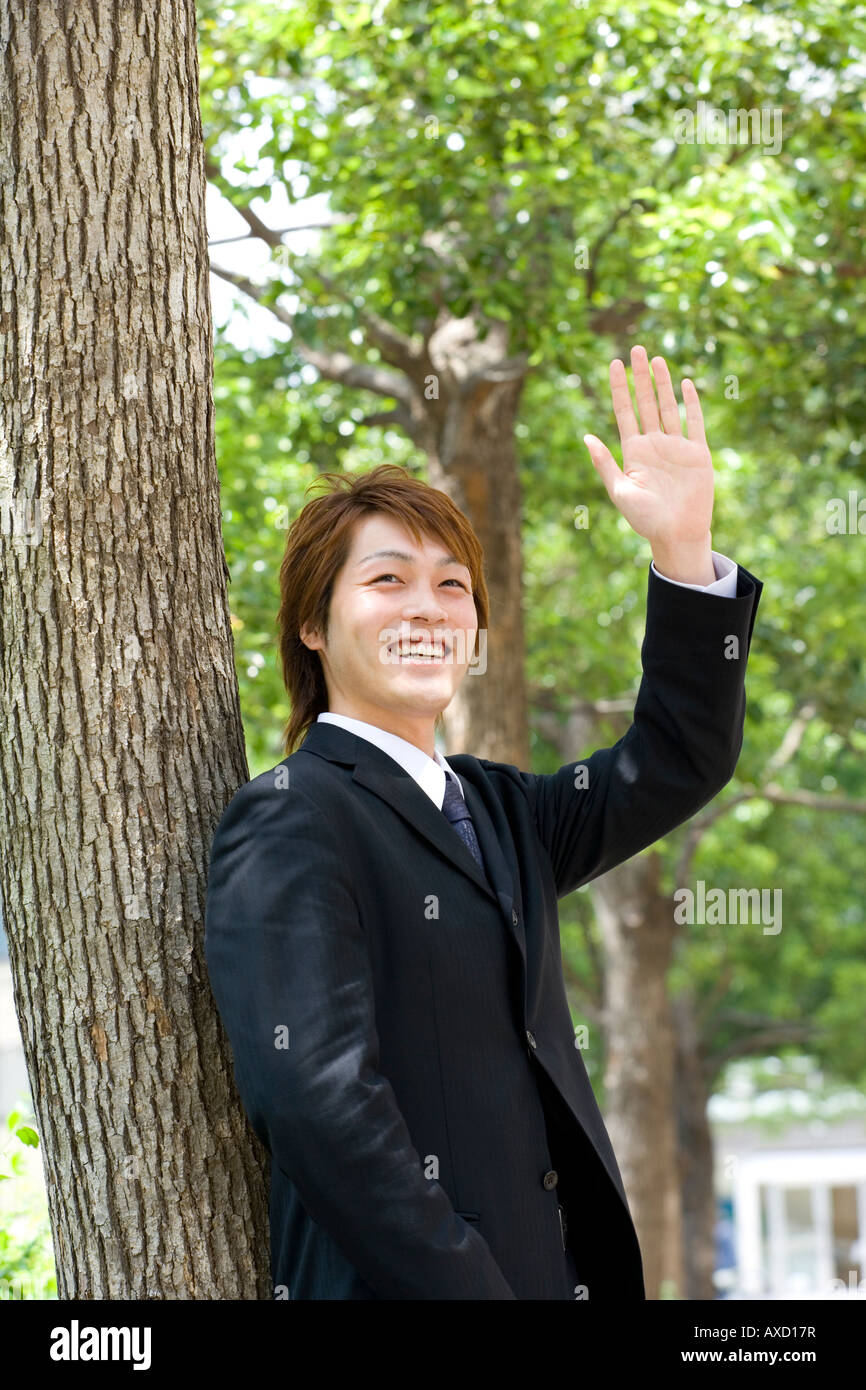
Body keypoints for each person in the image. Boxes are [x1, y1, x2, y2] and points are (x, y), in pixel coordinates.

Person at [204, 346, 763, 1299]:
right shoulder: (289, 818)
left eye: (452, 586)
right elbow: (317, 1102)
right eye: (386, 581)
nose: (428, 606)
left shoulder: (505, 812)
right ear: (312, 624)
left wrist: (681, 549)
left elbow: (677, 757)